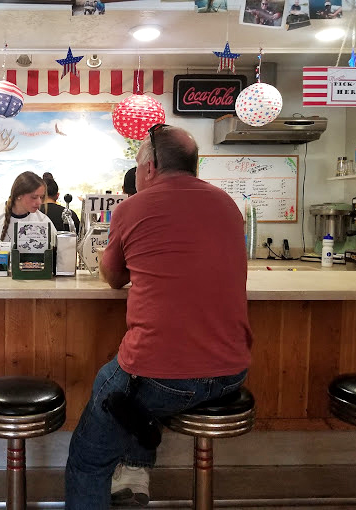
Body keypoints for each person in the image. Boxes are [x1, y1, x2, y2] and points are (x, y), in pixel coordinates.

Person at [64, 125, 252, 509]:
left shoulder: (131, 208)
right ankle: (134, 471)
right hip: (232, 371)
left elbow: (115, 278)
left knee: (90, 455)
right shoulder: (228, 204)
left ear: (149, 168)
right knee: (135, 386)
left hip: (163, 378)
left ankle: (125, 470)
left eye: (137, 167)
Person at [0, 171, 56, 269]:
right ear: (19, 195)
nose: (39, 202)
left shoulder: (43, 221)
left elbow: (56, 254)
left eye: (41, 197)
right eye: (34, 197)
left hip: (31, 281)